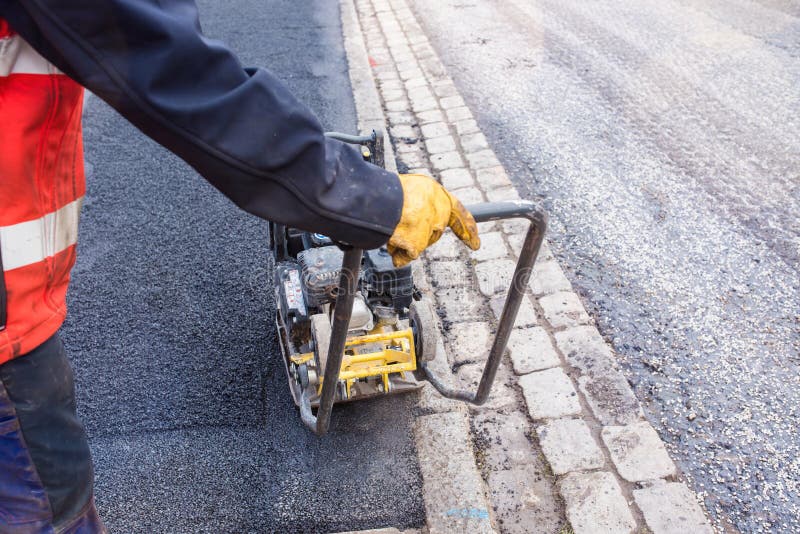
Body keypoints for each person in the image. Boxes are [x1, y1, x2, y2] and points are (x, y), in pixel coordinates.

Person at [0, 1, 480, 532]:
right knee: (51, 512)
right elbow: (175, 71)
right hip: (11, 334)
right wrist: (368, 199)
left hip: (16, 316)